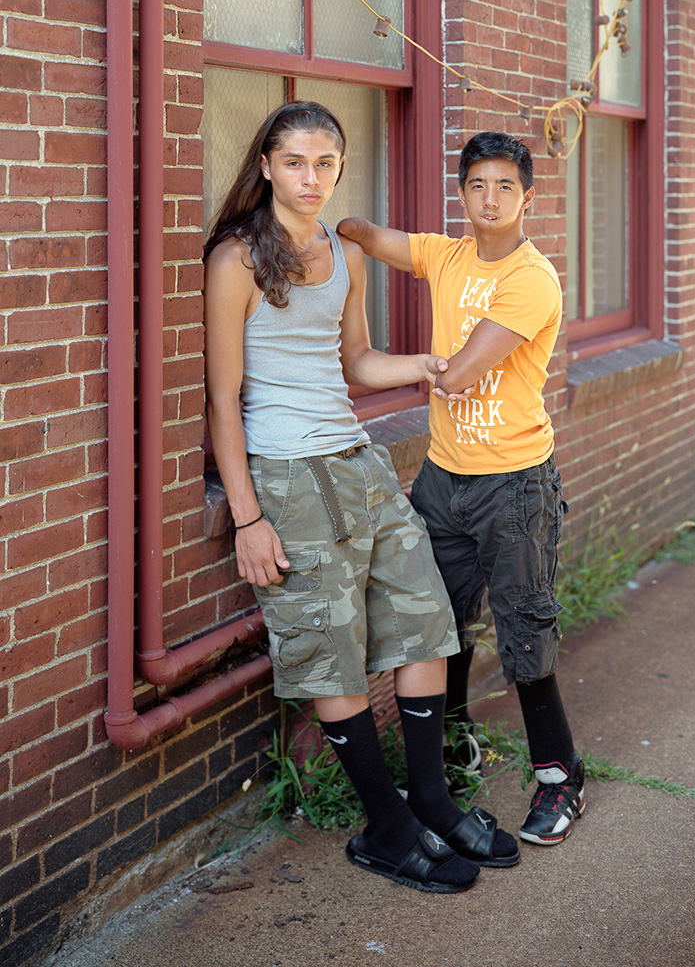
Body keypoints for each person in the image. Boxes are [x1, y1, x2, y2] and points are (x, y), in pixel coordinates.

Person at [203, 104, 520, 894]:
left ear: (340, 168)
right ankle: (386, 828)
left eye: (326, 163)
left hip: (360, 461)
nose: (311, 178)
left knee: (426, 624)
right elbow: (222, 401)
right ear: (267, 166)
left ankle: (432, 804)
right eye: (295, 162)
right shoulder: (237, 259)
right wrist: (247, 517)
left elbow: (355, 362)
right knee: (330, 649)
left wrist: (424, 365)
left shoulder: (344, 251)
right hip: (290, 477)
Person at [337, 131, 585, 846]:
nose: (490, 199)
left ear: (527, 197)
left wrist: (411, 366)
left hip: (514, 484)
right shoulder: (445, 255)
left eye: (505, 186)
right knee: (437, 625)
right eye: (477, 185)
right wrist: (332, 230)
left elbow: (462, 374)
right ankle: (452, 745)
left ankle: (560, 776)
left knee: (524, 632)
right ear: (462, 193)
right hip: (443, 479)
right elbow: (369, 234)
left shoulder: (532, 279)